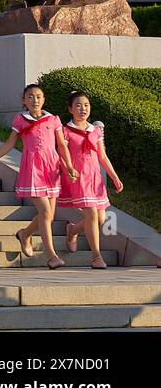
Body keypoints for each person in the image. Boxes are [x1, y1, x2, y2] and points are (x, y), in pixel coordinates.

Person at [0, 83, 78, 269]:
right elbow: (9, 144)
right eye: (30, 96)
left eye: (39, 96)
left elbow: (62, 146)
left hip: (52, 169)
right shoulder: (20, 120)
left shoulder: (53, 119)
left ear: (44, 99)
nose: (35, 100)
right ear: (24, 100)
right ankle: (51, 255)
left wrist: (69, 166)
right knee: (46, 212)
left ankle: (25, 234)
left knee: (48, 214)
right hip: (32, 170)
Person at [59, 92, 122, 270]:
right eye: (78, 105)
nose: (82, 109)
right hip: (78, 178)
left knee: (101, 218)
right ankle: (96, 256)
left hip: (96, 179)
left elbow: (102, 156)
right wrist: (68, 170)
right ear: (70, 109)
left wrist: (114, 176)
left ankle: (72, 230)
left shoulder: (95, 130)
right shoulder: (65, 131)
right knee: (92, 215)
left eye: (86, 105)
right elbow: (61, 154)